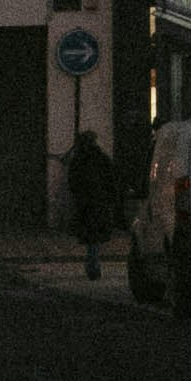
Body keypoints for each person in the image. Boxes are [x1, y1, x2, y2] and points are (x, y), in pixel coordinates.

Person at [63, 121, 129, 283]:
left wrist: (78, 195)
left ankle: (92, 265)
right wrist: (112, 197)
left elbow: (72, 181)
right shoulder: (101, 157)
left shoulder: (79, 159)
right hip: (99, 202)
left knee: (91, 236)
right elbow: (111, 178)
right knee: (95, 236)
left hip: (85, 202)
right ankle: (93, 265)